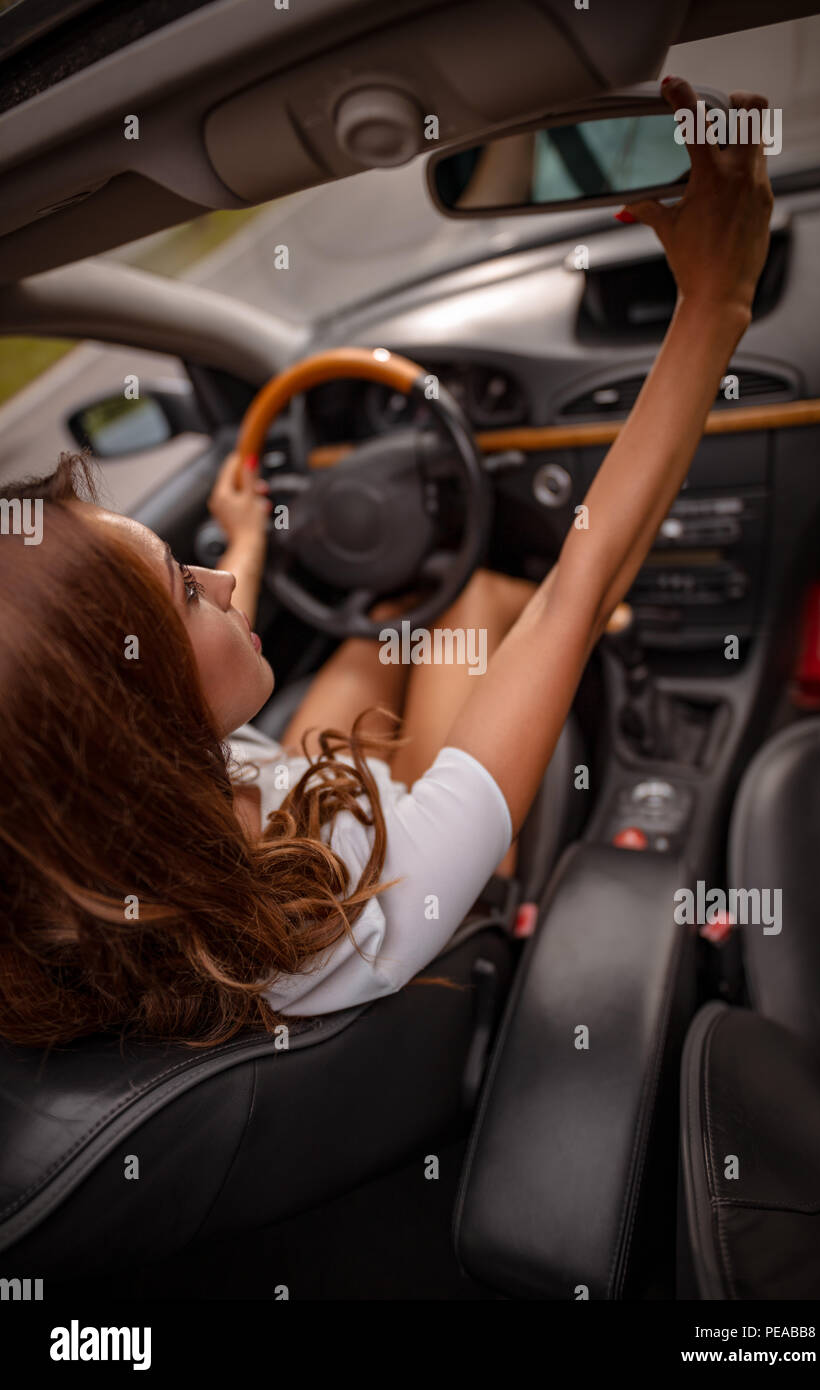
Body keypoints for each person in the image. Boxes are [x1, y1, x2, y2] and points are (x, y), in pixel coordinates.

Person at [0, 78, 772, 1047]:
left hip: (281, 807)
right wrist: (716, 298)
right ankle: (475, 606)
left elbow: (208, 679)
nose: (226, 581)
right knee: (482, 600)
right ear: (135, 717)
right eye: (187, 591)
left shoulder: (87, 861)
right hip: (430, 886)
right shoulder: (328, 925)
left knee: (386, 620)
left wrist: (249, 532)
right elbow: (576, 590)